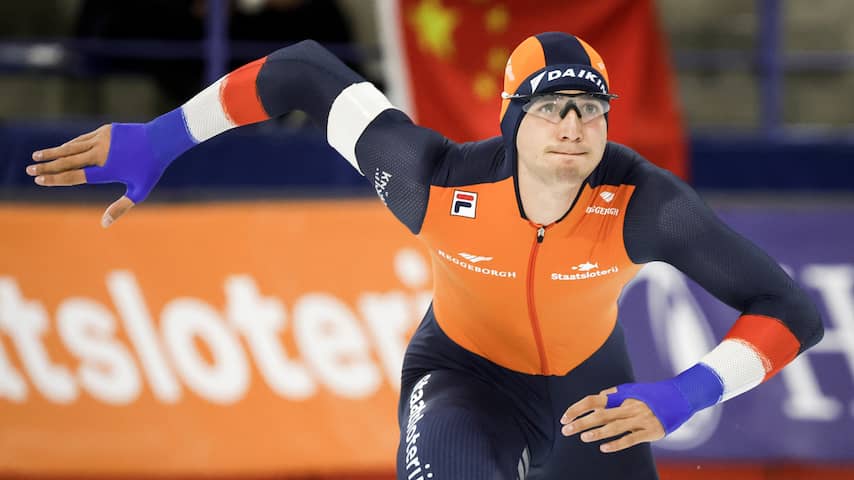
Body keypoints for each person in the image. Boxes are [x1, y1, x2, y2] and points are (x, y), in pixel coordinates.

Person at [27, 32, 823, 479]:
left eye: (591, 109)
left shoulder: (645, 203)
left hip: (594, 401)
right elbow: (302, 71)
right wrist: (162, 138)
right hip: (465, 381)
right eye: (552, 108)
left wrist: (687, 393)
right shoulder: (432, 178)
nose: (575, 126)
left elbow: (790, 311)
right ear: (512, 122)